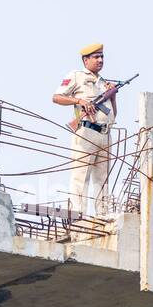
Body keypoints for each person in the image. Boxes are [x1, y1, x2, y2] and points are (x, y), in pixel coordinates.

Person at [52, 43, 117, 217]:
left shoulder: (104, 82)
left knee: (102, 179)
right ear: (85, 59)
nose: (100, 60)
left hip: (105, 133)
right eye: (96, 57)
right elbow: (57, 97)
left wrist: (113, 95)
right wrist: (79, 101)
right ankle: (77, 216)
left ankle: (102, 215)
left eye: (102, 57)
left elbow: (113, 114)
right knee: (81, 176)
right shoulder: (77, 76)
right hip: (86, 131)